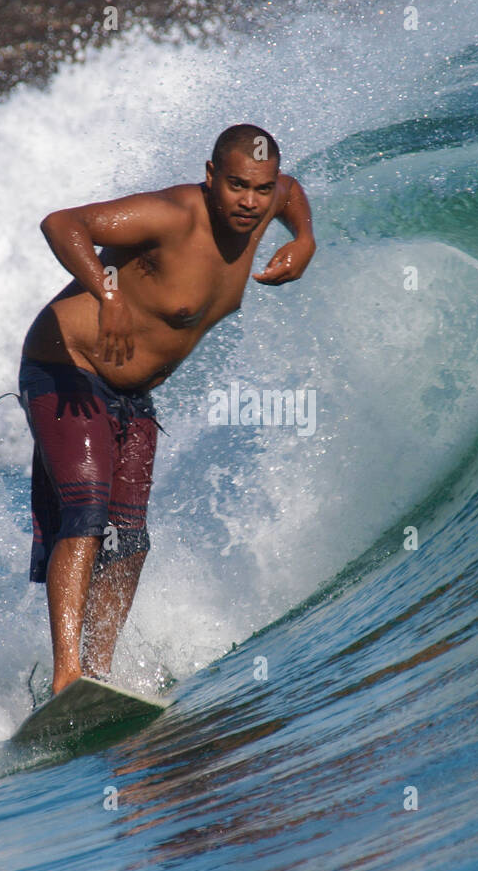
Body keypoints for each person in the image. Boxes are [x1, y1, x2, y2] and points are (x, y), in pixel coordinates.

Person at [18, 123, 316, 697]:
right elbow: (62, 224)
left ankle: (97, 676)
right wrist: (107, 293)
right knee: (86, 516)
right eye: (235, 187)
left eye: (260, 189)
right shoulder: (172, 216)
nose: (250, 202)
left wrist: (304, 237)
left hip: (131, 396)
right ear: (210, 178)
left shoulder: (267, 201)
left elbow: (293, 191)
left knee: (130, 539)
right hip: (67, 368)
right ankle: (66, 677)